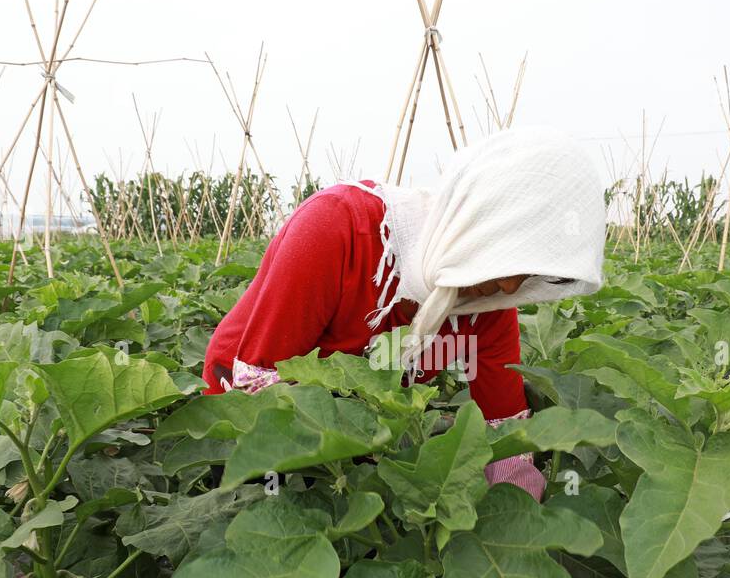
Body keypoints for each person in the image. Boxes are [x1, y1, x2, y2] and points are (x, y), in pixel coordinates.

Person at [201, 126, 606, 501]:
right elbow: (263, 394)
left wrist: (516, 518)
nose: (511, 287)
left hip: (355, 427)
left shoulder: (487, 305)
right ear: (477, 224)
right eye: (507, 258)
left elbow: (505, 430)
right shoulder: (336, 230)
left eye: (530, 272)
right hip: (249, 400)